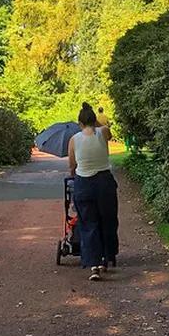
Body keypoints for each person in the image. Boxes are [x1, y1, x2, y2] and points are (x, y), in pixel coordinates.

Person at [67, 102, 118, 281]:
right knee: (108, 220)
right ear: (94, 120)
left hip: (84, 184)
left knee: (88, 223)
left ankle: (93, 264)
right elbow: (108, 132)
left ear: (79, 123)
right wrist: (94, 121)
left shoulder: (74, 139)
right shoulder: (102, 132)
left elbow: (72, 165)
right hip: (104, 181)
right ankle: (107, 256)